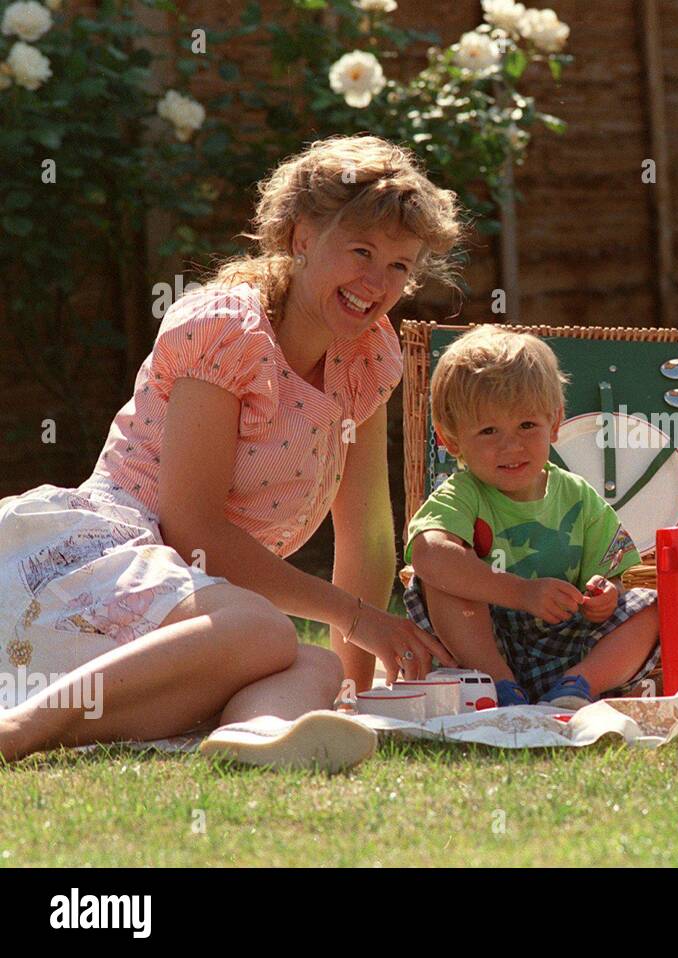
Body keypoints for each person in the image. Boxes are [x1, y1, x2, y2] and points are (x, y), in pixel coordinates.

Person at [0, 134, 458, 769]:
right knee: (266, 630)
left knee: (317, 667)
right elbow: (193, 529)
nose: (377, 281)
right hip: (105, 562)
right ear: (302, 238)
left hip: (196, 609)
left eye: (401, 266)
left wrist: (355, 686)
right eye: (361, 251)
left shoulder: (369, 357)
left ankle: (252, 739)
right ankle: (18, 727)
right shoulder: (228, 328)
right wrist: (357, 616)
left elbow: (368, 533)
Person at [402, 325, 659, 709]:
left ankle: (580, 685)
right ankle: (500, 687)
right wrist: (519, 592)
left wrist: (603, 596)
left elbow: (616, 577)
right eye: (489, 430)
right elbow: (428, 555)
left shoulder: (577, 495)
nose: (511, 445)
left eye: (527, 425)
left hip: (568, 642)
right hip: (488, 644)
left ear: (554, 422)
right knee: (439, 581)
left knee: (651, 606)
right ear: (451, 440)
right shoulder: (462, 494)